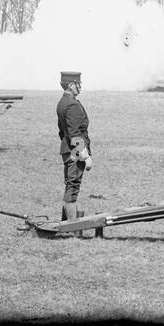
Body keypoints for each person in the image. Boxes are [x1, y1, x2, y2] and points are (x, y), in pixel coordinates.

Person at [56, 71, 92, 223]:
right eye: (79, 85)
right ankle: (71, 225)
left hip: (67, 149)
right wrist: (85, 155)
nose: (80, 87)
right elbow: (75, 133)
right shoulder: (72, 104)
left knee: (70, 184)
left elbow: (61, 130)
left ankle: (67, 221)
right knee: (73, 185)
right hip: (75, 152)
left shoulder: (62, 102)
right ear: (71, 85)